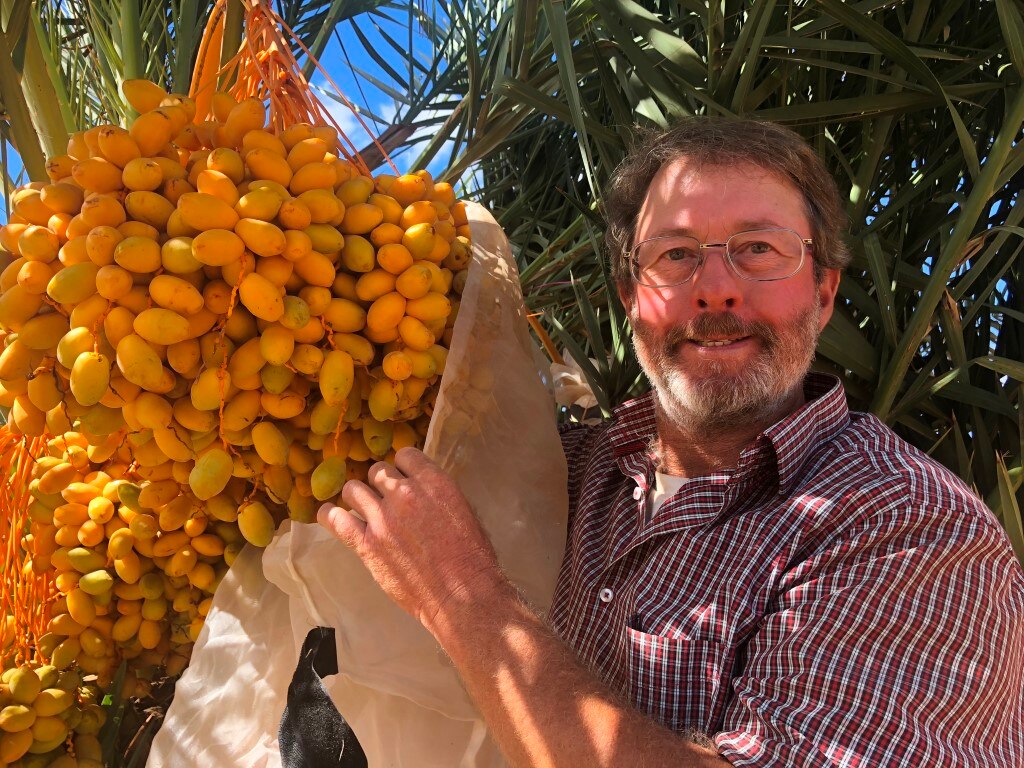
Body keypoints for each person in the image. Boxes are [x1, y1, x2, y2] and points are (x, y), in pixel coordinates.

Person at [317, 118, 1024, 766]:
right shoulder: (558, 466)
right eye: (675, 255)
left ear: (824, 292)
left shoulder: (912, 524)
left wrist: (464, 599)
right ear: (630, 297)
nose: (715, 288)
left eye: (757, 249)